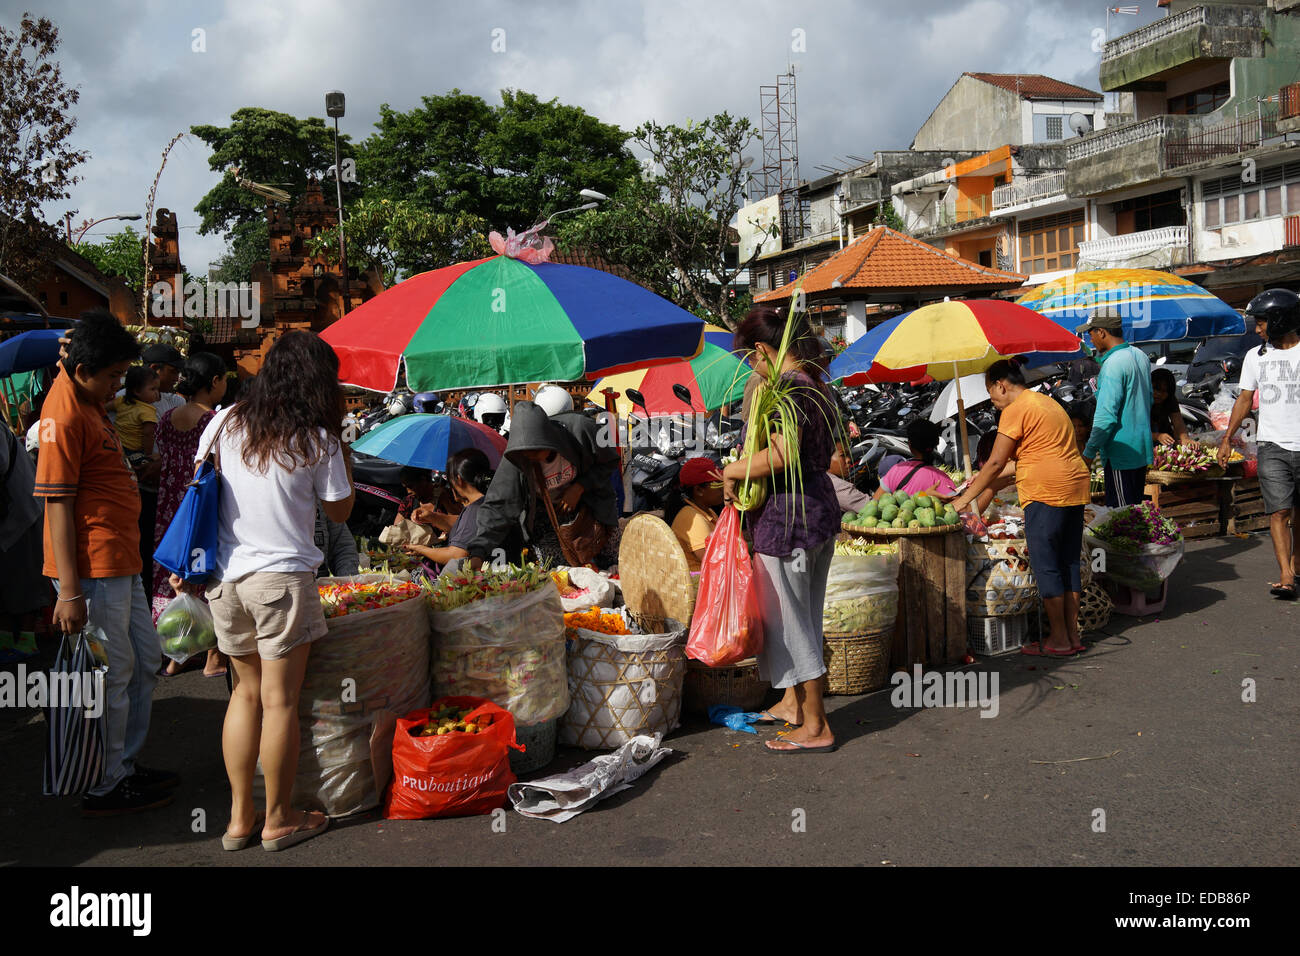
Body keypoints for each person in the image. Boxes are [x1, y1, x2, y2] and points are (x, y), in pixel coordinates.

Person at [195, 330, 354, 851]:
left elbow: (202, 487)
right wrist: (341, 449)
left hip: (225, 581)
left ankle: (240, 820)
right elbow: (340, 512)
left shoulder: (223, 422)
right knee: (280, 700)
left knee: (244, 694)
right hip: (281, 581)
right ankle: (279, 818)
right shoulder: (316, 438)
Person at [34, 309, 178, 815]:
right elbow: (56, 502)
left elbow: (71, 346)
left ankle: (124, 765)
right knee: (111, 676)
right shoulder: (64, 415)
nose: (121, 385)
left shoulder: (86, 396)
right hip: (92, 573)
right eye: (114, 376)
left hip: (119, 563)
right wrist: (69, 592)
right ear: (82, 371)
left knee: (142, 663)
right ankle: (105, 782)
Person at [721, 307, 841, 754]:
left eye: (751, 360)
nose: (752, 369)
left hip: (790, 519)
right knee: (805, 616)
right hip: (818, 510)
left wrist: (733, 469)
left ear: (762, 350)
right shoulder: (817, 385)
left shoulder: (788, 389)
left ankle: (817, 726)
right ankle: (795, 706)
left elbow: (782, 454)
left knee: (794, 623)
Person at [951, 360, 1091, 655]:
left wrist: (965, 500)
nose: (994, 402)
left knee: (1047, 564)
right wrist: (979, 480)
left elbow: (997, 462)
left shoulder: (1015, 409)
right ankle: (1072, 635)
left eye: (992, 395)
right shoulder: (1045, 402)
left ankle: (1059, 639)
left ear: (1001, 385)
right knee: (1068, 562)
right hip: (1074, 485)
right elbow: (1022, 458)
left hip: (1046, 490)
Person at [466, 400, 621, 569]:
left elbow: (610, 461)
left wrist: (580, 486)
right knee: (561, 579)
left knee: (612, 569)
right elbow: (498, 505)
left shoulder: (583, 429)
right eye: (526, 453)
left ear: (549, 438)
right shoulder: (516, 457)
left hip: (594, 512)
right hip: (547, 523)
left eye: (537, 450)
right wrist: (478, 551)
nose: (532, 457)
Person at [1217, 288, 1300, 600]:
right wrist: (1227, 439)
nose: (1257, 328)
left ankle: (1297, 567)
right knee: (1278, 512)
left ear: (1280, 319)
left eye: (1262, 322)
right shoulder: (1256, 356)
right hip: (1272, 446)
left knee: (1298, 515)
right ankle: (1286, 575)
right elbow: (1244, 399)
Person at [151, 352, 229, 677]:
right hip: (199, 505)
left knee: (173, 572)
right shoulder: (213, 420)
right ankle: (212, 656)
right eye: (224, 379)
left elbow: (159, 456)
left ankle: (175, 654)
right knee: (204, 570)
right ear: (214, 382)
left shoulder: (167, 417)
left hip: (170, 506)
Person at [1077, 308, 1152, 506]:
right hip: (1140, 449)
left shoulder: (1113, 364)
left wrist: (1088, 453)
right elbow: (1148, 400)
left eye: (1090, 334)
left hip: (1121, 453)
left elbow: (1106, 417)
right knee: (1134, 511)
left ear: (1101, 332)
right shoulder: (1140, 356)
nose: (1090, 340)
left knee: (1121, 516)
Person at [1, 416, 48, 663]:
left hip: (22, 515)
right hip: (12, 517)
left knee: (24, 578)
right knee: (7, 582)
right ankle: (7, 640)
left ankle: (27, 642)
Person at [403, 448, 493, 577]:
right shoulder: (488, 502)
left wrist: (421, 549)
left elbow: (455, 555)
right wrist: (433, 517)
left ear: (458, 480)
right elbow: (468, 528)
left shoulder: (475, 509)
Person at [874, 420, 958, 499]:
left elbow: (874, 503)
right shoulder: (940, 478)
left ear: (910, 445)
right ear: (937, 443)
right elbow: (962, 506)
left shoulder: (896, 470)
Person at [669, 456, 724, 571]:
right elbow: (715, 564)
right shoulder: (692, 518)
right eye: (718, 484)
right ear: (699, 490)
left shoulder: (709, 511)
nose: (723, 488)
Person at [112, 365, 161, 476]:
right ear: (137, 391)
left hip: (115, 444)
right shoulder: (147, 411)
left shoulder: (121, 401)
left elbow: (103, 408)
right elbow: (148, 433)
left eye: (157, 389)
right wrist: (147, 454)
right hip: (133, 452)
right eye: (153, 389)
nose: (157, 393)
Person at [314, 502, 360, 578]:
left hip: (320, 583)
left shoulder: (321, 500)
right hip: (291, 579)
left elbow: (343, 547)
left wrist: (347, 581)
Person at [1150, 367, 1191, 447]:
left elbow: (1179, 424)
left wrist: (1185, 438)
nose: (1159, 394)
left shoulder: (1170, 400)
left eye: (1164, 391)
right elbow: (1135, 431)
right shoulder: (1141, 401)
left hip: (1165, 441)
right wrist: (1157, 436)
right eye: (1156, 389)